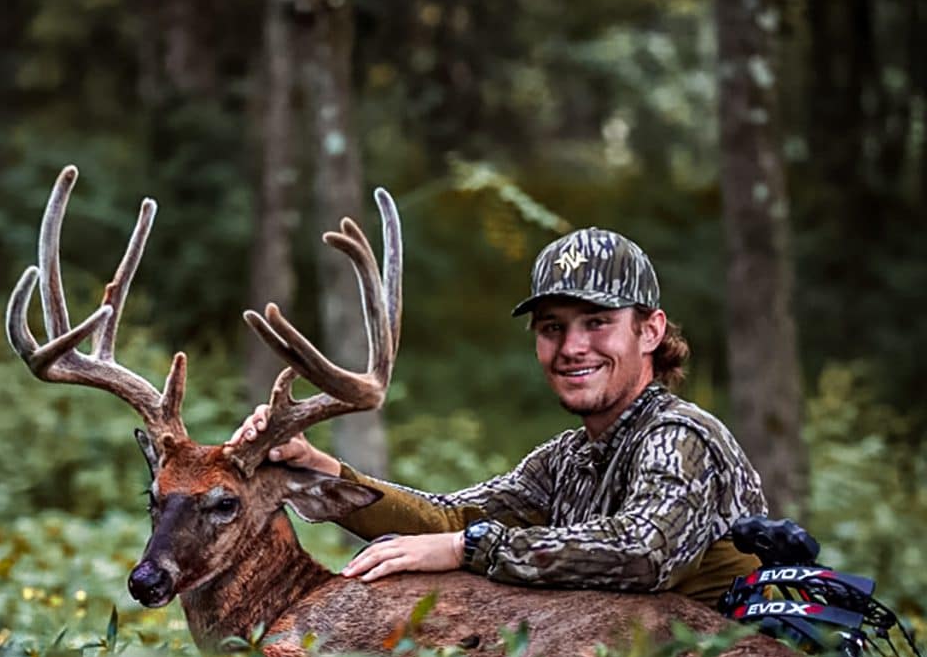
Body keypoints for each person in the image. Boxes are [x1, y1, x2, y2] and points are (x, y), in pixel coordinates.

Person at [235, 227, 766, 608]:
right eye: (552, 328)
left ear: (650, 331)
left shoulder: (681, 436)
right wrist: (317, 467)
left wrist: (469, 550)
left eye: (597, 322)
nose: (572, 348)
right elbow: (448, 519)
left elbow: (644, 552)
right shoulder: (567, 460)